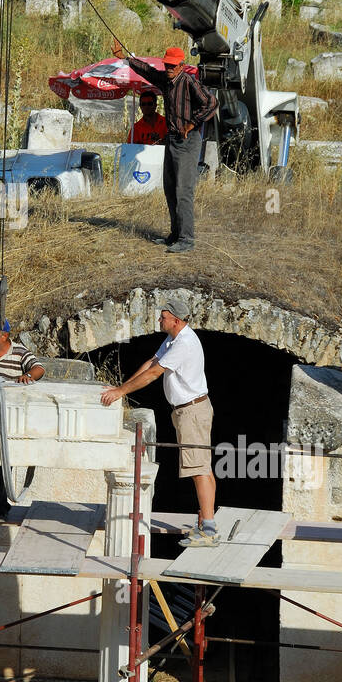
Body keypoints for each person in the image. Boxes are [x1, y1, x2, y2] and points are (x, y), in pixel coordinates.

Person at [100, 295, 218, 547]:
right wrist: (122, 387)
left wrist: (121, 393)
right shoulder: (174, 338)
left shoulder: (184, 343)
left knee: (198, 469)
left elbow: (154, 373)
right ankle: (208, 524)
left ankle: (209, 530)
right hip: (189, 411)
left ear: (175, 320)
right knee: (202, 467)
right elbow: (152, 362)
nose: (159, 320)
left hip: (192, 412)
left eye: (163, 317)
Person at [112, 40, 218, 252]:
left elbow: (211, 103)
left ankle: (187, 240)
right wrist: (125, 58)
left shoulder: (189, 81)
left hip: (187, 140)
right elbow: (147, 71)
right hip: (172, 139)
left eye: (172, 65)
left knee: (183, 190)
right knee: (170, 189)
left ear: (181, 65)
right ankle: (174, 235)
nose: (169, 69)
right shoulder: (165, 80)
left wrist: (193, 122)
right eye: (167, 65)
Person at [0, 328, 44, 518]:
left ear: (4, 335)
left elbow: (38, 368)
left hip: (7, 418)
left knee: (2, 464)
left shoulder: (19, 352)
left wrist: (29, 376)